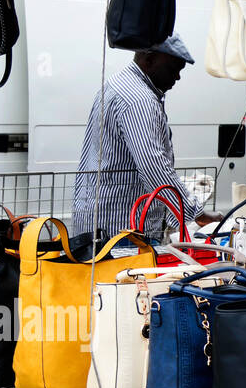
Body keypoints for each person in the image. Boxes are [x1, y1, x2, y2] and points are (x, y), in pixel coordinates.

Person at [72, 34, 218, 241]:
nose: (177, 77)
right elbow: (153, 165)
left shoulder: (118, 83)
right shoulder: (140, 99)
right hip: (122, 229)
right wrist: (195, 213)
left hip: (101, 222)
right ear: (149, 60)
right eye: (173, 69)